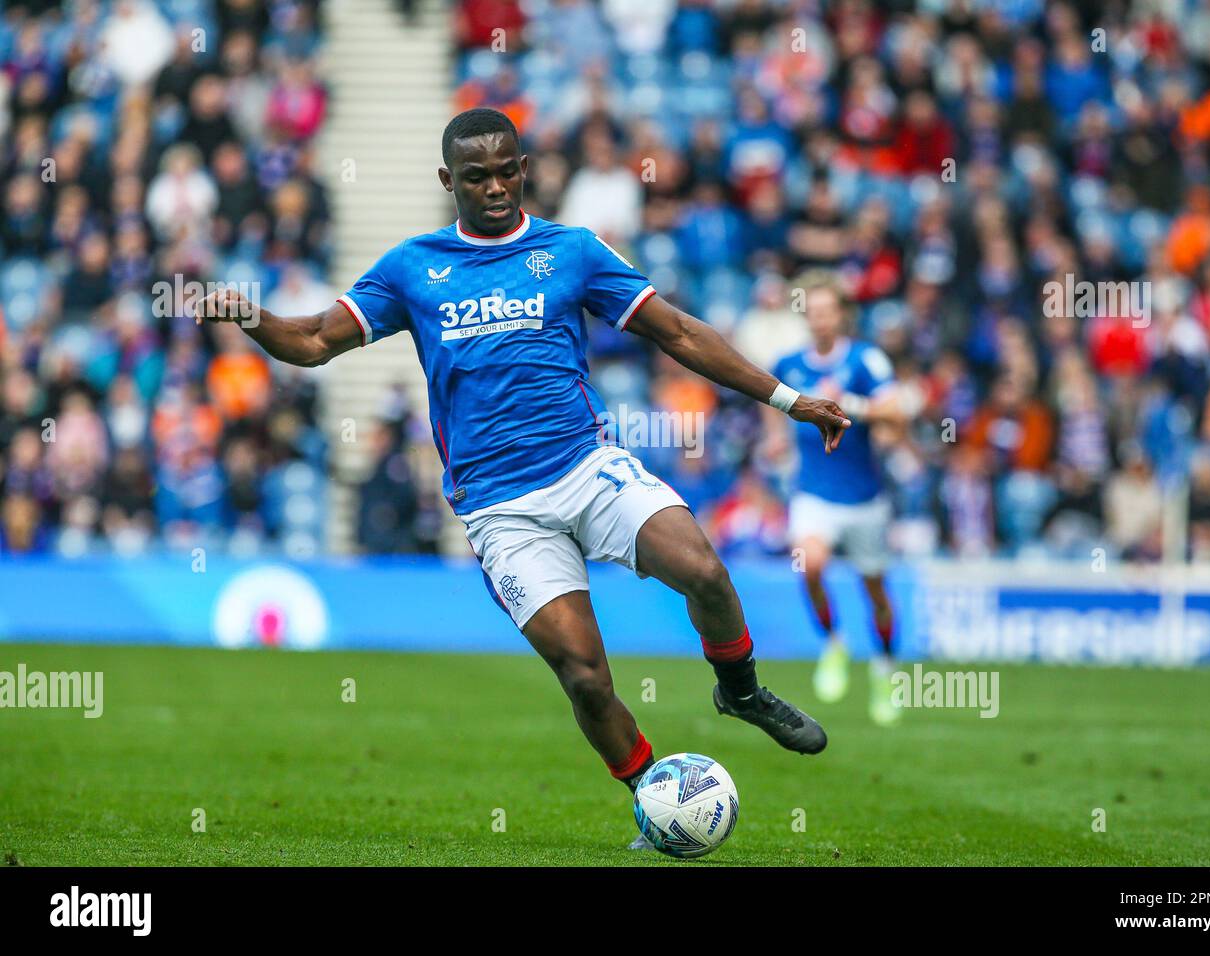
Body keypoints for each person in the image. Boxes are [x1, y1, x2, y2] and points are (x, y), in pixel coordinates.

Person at [196, 107, 850, 850]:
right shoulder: (414, 268)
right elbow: (313, 340)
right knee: (584, 675)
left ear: (525, 166)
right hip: (502, 510)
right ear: (449, 181)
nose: (498, 186)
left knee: (702, 567)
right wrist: (252, 317)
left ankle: (742, 693)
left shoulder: (571, 250)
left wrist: (787, 400)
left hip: (586, 465)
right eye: (478, 177)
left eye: (508, 170)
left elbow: (676, 331)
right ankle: (651, 795)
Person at [765, 274, 910, 723]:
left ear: (842, 314)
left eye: (828, 310)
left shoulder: (865, 359)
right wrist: (776, 439)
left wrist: (849, 403)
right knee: (810, 563)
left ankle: (885, 668)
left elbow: (897, 407)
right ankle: (833, 643)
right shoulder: (788, 364)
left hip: (865, 496)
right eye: (813, 310)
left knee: (876, 592)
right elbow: (768, 402)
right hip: (814, 491)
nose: (820, 319)